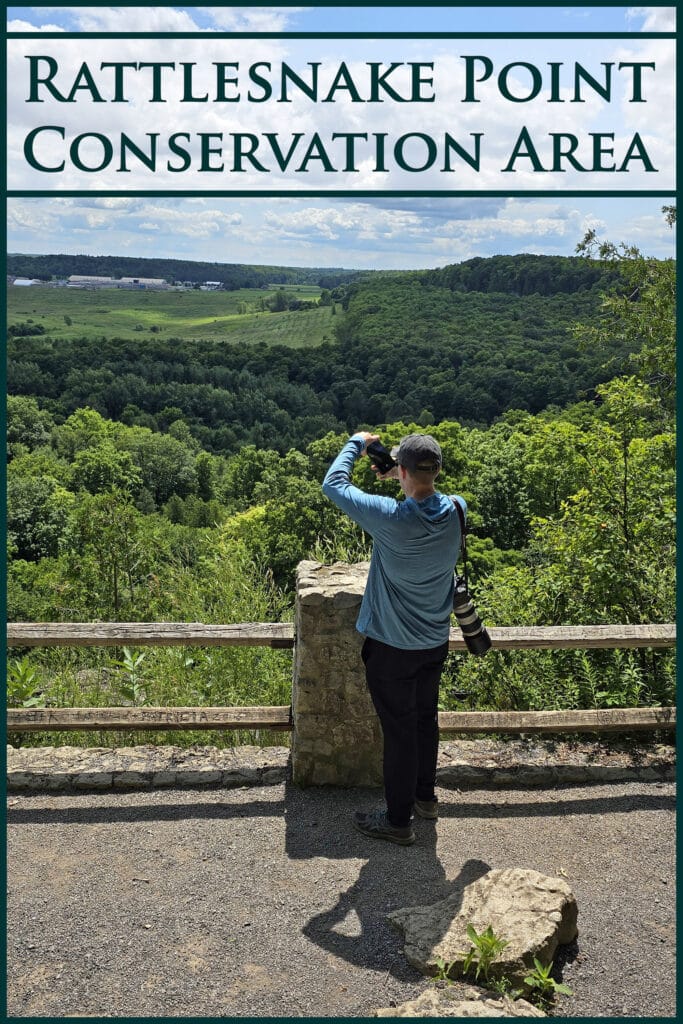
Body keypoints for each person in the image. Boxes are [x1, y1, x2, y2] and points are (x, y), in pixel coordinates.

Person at [322, 431, 466, 846]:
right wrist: (402, 476)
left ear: (402, 470)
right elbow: (427, 492)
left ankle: (398, 821)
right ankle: (425, 799)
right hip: (435, 640)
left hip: (391, 648)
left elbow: (334, 484)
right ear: (436, 469)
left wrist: (355, 442)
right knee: (425, 721)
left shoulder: (391, 517)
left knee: (400, 733)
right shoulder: (457, 509)